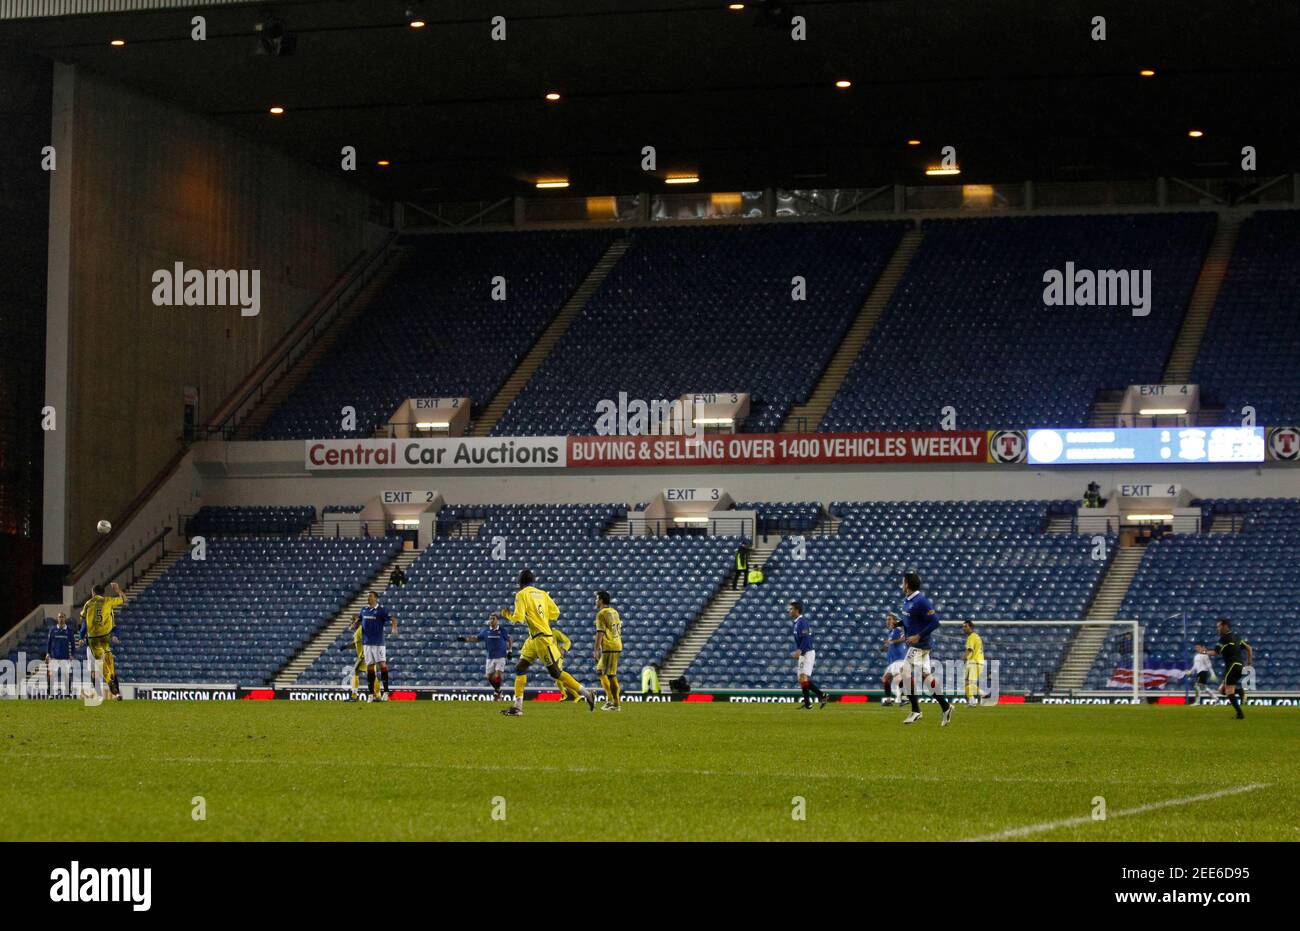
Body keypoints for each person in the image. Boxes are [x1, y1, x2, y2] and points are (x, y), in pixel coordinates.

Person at [499, 569, 595, 715]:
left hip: (542, 637)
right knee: (520, 668)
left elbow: (518, 618)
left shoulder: (521, 594)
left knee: (556, 672)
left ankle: (586, 693)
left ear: (520, 582)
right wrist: (541, 618)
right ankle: (518, 707)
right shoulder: (543, 593)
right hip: (534, 638)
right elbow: (556, 612)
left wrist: (507, 615)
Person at [886, 572, 953, 726]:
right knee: (926, 676)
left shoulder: (921, 601)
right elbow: (911, 619)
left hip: (919, 645)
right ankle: (946, 706)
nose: (902, 584)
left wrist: (918, 635)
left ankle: (916, 710)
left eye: (903, 582)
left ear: (907, 584)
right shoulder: (909, 600)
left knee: (905, 672)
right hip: (917, 645)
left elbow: (935, 622)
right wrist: (899, 624)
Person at [79, 582, 126, 701]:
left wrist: (81, 637)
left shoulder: (88, 604)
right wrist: (117, 590)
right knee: (106, 668)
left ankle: (113, 693)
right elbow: (123, 599)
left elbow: (83, 623)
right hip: (103, 638)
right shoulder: (108, 603)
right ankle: (108, 693)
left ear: (93, 593)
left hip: (92, 641)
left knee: (98, 669)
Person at [350, 591, 397, 701]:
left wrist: (394, 627)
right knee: (370, 667)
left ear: (376, 598)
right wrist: (355, 623)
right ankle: (371, 694)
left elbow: (393, 618)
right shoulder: (364, 610)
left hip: (378, 643)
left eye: (370, 596)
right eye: (368, 596)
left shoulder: (381, 610)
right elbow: (360, 619)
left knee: (382, 665)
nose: (368, 598)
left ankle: (386, 691)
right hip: (367, 643)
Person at [1206, 619, 1252, 719]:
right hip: (1239, 665)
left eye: (1218, 627)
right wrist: (1249, 662)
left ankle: (1240, 714)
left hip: (1232, 666)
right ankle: (1239, 691)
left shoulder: (1223, 639)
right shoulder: (1236, 637)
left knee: (1229, 691)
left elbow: (1214, 653)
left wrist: (1204, 652)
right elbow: (1249, 648)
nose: (1217, 629)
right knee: (1221, 690)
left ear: (1225, 626)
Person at [460, 614, 513, 700]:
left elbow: (510, 639)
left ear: (497, 621)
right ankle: (498, 690)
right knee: (489, 676)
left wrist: (510, 651)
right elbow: (476, 638)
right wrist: (466, 639)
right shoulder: (485, 631)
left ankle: (496, 692)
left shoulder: (502, 631)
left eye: (493, 619)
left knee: (498, 674)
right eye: (490, 619)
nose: (491, 620)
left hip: (501, 657)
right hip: (490, 657)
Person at [789, 601, 827, 709]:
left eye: (791, 609)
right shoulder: (797, 623)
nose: (789, 611)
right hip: (803, 653)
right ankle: (817, 698)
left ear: (797, 610)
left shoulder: (802, 622)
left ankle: (811, 701)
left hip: (808, 653)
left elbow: (806, 638)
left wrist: (799, 650)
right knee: (801, 679)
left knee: (804, 677)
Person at [593, 590, 623, 711]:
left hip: (610, 646)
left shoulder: (601, 614)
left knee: (611, 675)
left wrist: (596, 649)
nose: (595, 601)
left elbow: (600, 632)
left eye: (596, 599)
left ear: (600, 600)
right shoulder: (614, 612)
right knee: (600, 670)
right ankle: (610, 699)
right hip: (616, 643)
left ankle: (616, 704)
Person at [44, 612, 76, 699]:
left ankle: (67, 694)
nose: (61, 619)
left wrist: (72, 654)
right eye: (59, 617)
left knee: (66, 675)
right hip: (54, 657)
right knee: (51, 675)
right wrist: (47, 653)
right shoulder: (52, 630)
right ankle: (50, 693)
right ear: (57, 619)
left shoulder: (69, 631)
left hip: (65, 657)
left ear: (65, 618)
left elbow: (73, 644)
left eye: (62, 617)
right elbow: (49, 643)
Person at [880, 614, 908, 705]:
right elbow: (892, 644)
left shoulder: (898, 629)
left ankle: (904, 698)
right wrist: (886, 648)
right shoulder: (891, 632)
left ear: (894, 621)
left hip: (898, 659)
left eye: (889, 619)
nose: (887, 621)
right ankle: (888, 700)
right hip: (892, 661)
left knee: (897, 678)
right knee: (885, 679)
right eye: (886, 619)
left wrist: (891, 642)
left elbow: (904, 638)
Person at [962, 620, 986, 706]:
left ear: (971, 627)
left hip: (974, 662)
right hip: (978, 662)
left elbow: (970, 649)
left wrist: (963, 658)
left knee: (969, 683)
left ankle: (982, 694)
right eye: (963, 626)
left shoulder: (971, 637)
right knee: (967, 683)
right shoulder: (977, 637)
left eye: (966, 626)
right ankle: (973, 700)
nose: (964, 628)